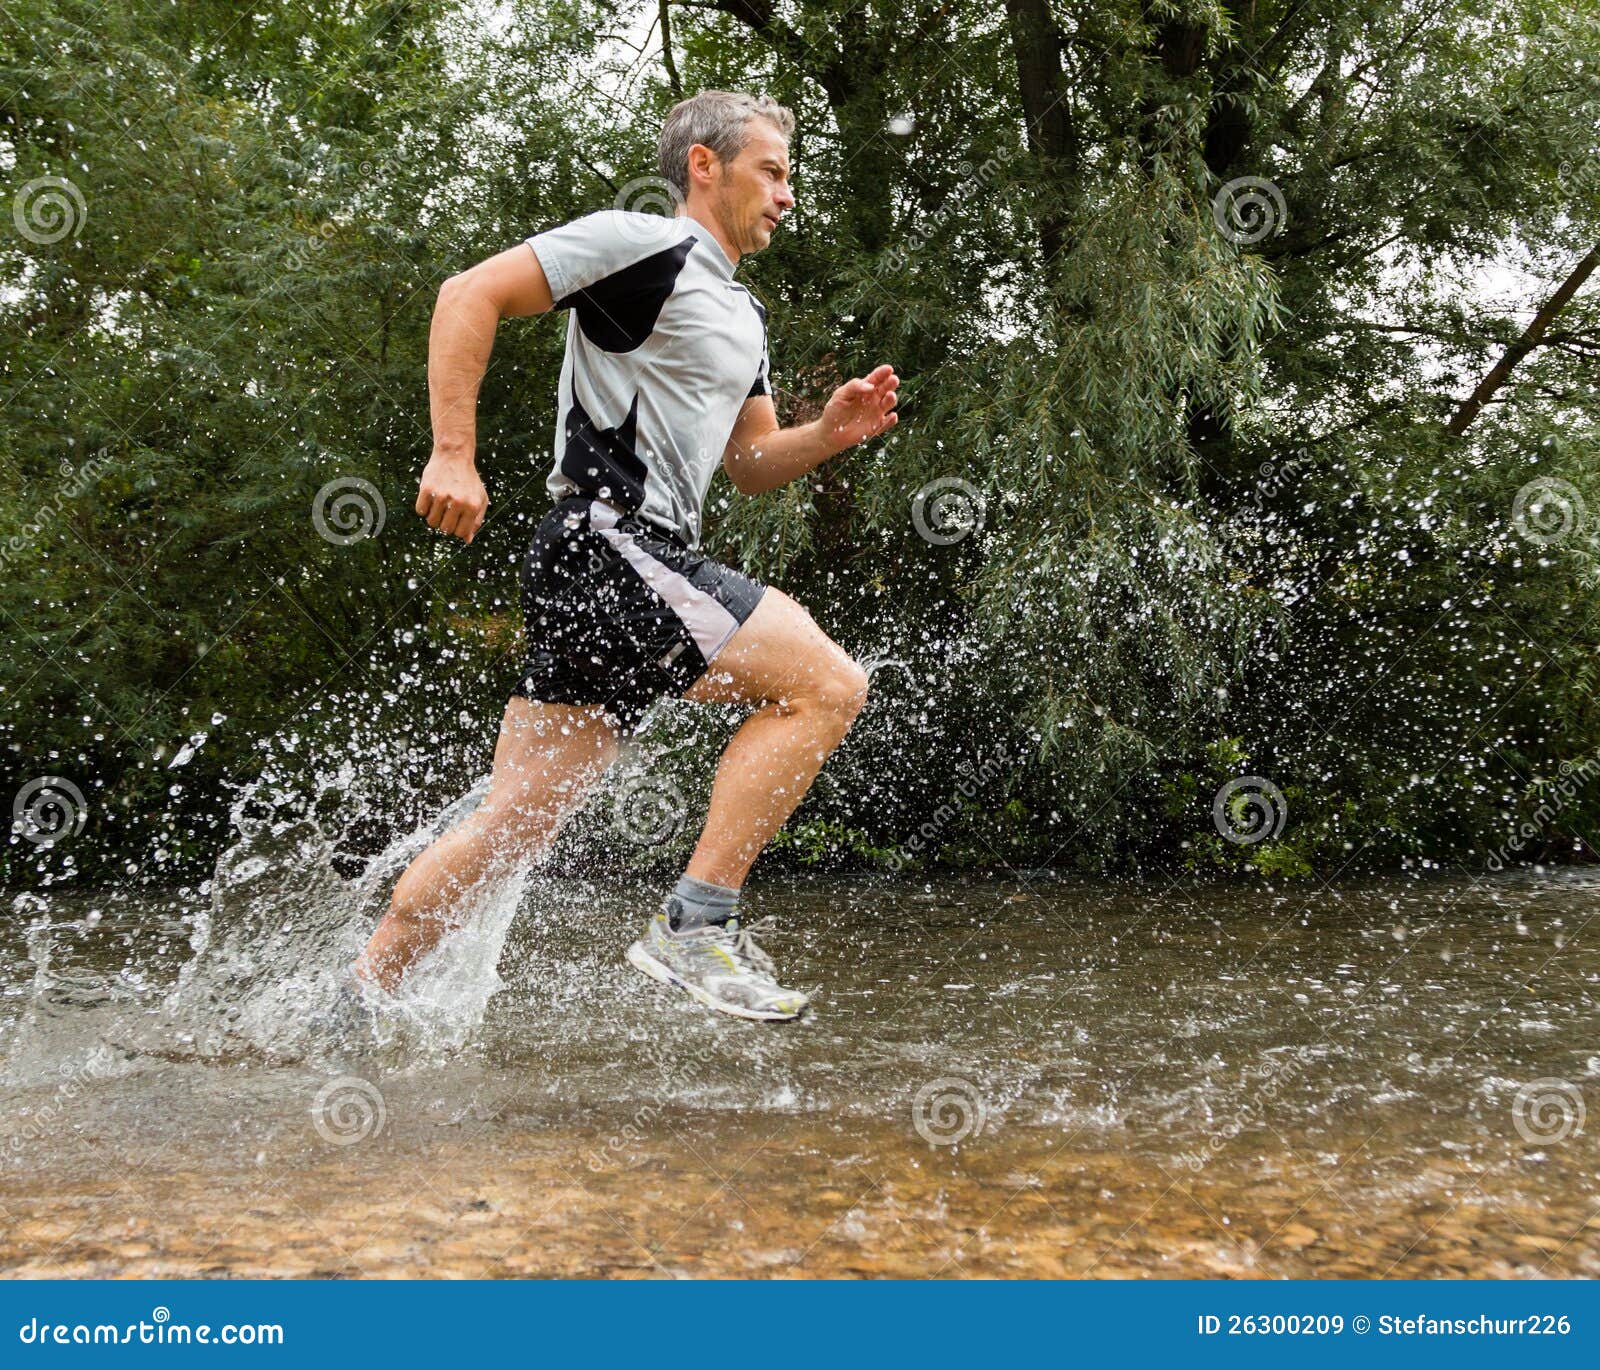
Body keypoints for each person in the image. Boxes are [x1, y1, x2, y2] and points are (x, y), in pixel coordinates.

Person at [337, 90, 898, 1027]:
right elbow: (468, 293)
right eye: (773, 171)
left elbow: (750, 463)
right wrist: (452, 453)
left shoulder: (742, 313)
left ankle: (359, 995)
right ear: (705, 167)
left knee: (516, 822)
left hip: (612, 560)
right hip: (609, 540)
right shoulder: (643, 244)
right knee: (827, 686)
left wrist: (828, 436)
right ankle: (694, 926)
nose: (788, 195)